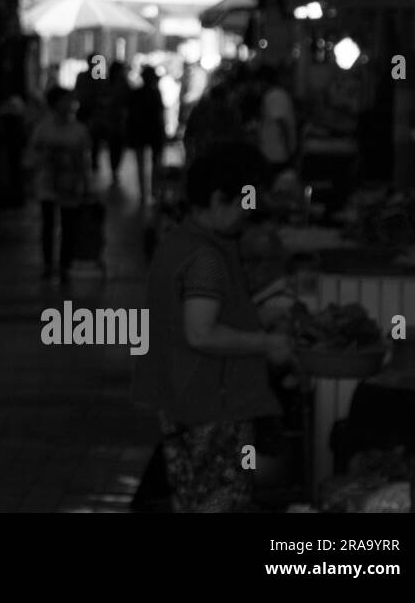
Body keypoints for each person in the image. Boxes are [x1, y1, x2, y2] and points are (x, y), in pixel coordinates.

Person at [132, 142, 292, 512]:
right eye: (243, 202)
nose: (247, 214)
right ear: (219, 199)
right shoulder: (205, 256)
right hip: (211, 409)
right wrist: (266, 344)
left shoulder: (184, 241)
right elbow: (200, 332)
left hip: (188, 403)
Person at [27, 86, 93, 283]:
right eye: (65, 100)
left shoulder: (78, 130)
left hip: (71, 184)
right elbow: (34, 154)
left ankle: (65, 264)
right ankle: (49, 263)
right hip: (47, 183)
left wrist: (85, 183)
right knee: (48, 224)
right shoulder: (43, 128)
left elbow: (84, 160)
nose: (69, 104)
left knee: (68, 224)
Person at [126, 65, 166, 206]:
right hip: (153, 132)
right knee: (156, 163)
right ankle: (154, 191)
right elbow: (160, 114)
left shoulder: (136, 93)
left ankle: (144, 193)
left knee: (141, 163)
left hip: (140, 132)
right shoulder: (155, 93)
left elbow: (130, 116)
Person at [256, 65, 297, 182]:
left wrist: (289, 152)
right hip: (277, 153)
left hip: (277, 154)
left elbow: (282, 124)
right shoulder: (276, 95)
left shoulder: (275, 96)